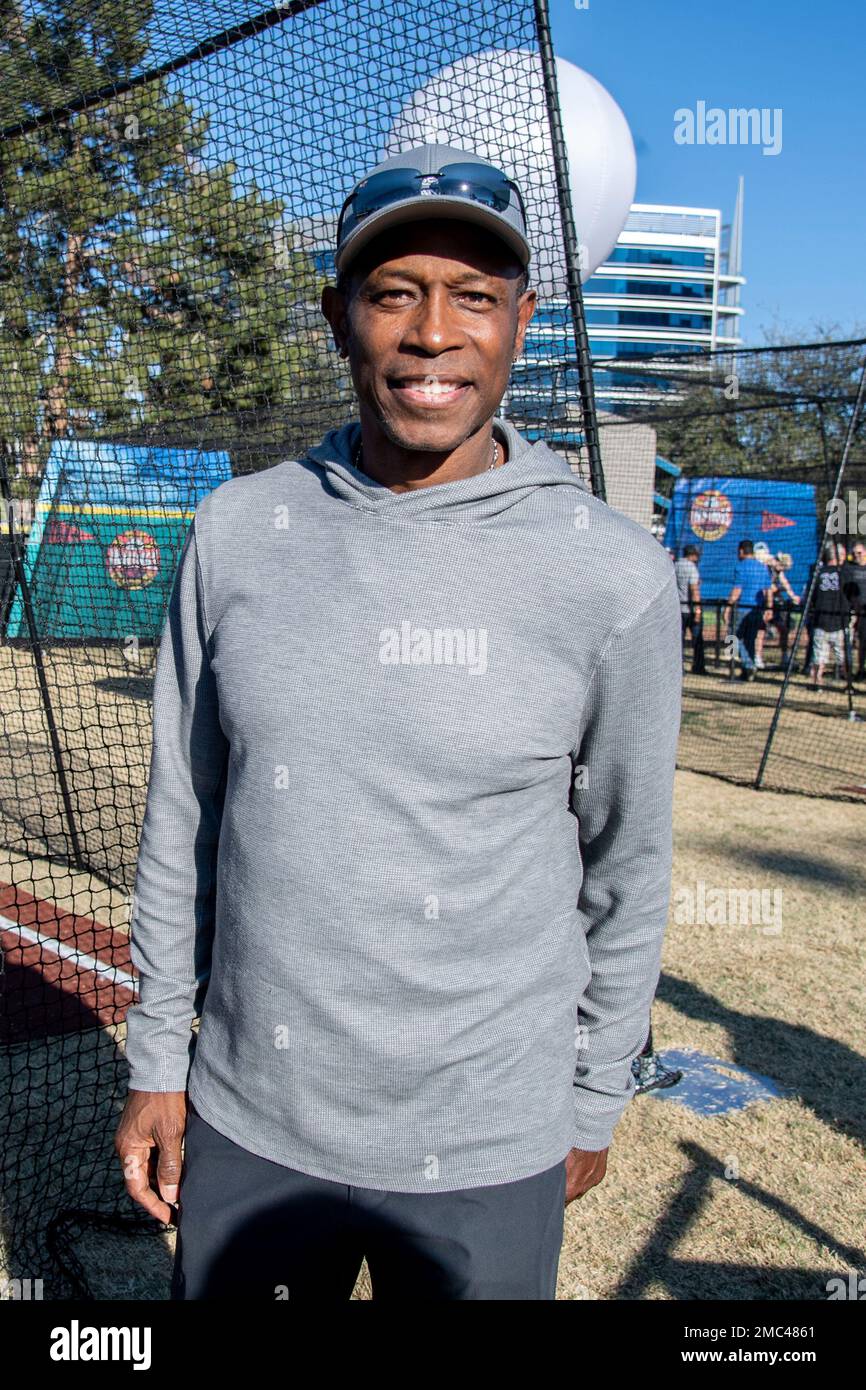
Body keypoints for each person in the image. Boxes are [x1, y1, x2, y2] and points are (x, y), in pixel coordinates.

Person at [115, 144, 682, 1302]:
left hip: (488, 1141)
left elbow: (625, 863)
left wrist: (588, 1095)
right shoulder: (237, 533)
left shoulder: (610, 574)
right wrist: (157, 1057)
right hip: (252, 1119)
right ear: (339, 318)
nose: (434, 332)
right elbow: (181, 815)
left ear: (520, 321)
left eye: (474, 295)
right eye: (393, 292)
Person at [723, 539, 774, 682]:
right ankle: (747, 672)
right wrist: (769, 608)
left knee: (733, 637)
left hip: (743, 608)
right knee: (750, 640)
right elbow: (768, 590)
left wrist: (727, 607)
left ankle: (748, 665)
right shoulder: (762, 567)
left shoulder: (741, 567)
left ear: (741, 551)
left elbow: (737, 590)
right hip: (757, 609)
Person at [810, 540, 850, 689]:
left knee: (819, 655)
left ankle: (817, 682)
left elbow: (811, 596)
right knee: (844, 656)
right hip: (840, 622)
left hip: (821, 620)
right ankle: (848, 684)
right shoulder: (845, 572)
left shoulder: (818, 573)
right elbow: (852, 595)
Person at [764, 551, 801, 669]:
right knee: (759, 630)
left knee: (784, 629)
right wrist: (780, 590)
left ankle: (785, 656)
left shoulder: (777, 570)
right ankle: (756, 657)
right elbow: (769, 588)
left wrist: (793, 596)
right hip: (763, 603)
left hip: (774, 603)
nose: (783, 571)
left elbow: (784, 583)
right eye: (783, 567)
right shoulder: (767, 567)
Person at [673, 544, 706, 674]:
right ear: (692, 555)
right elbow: (694, 589)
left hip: (678, 608)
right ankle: (698, 666)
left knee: (678, 641)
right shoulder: (691, 567)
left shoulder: (675, 565)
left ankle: (678, 669)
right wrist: (698, 610)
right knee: (697, 640)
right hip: (689, 609)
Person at [842, 539, 866, 679]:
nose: (857, 555)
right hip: (855, 611)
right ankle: (858, 670)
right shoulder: (849, 569)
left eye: (859, 552)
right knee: (859, 642)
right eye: (854, 553)